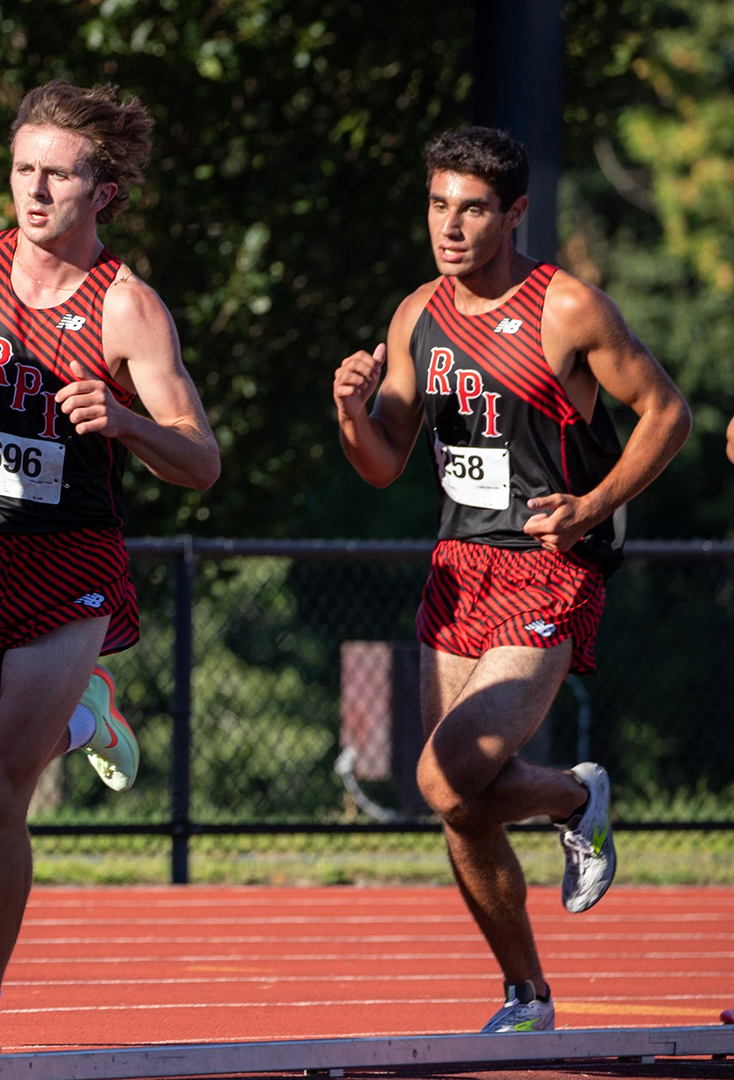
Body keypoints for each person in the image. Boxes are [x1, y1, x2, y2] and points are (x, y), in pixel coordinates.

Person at [332, 125, 690, 1034]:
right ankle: (526, 992)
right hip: (459, 567)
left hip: (547, 563)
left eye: (474, 208)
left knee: (447, 775)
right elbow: (383, 463)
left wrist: (594, 501)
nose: (450, 226)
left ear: (516, 211)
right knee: (461, 812)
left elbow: (667, 414)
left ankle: (577, 796)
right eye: (439, 204)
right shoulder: (418, 313)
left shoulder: (567, 308)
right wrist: (348, 410)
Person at [0, 80, 221, 1059]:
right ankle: (88, 710)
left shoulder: (125, 308)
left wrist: (125, 419)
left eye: (60, 174)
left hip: (67, 571)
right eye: (24, 169)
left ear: (105, 192)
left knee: (1, 795)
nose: (35, 190)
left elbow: (200, 460)